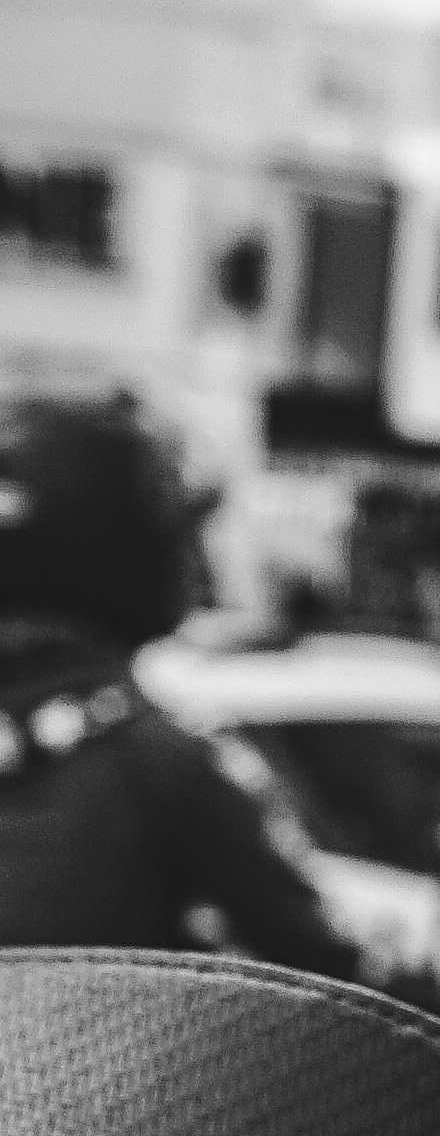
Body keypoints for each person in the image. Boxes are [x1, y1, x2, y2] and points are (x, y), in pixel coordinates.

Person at [0, 399, 359, 972]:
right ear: (122, 543)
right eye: (182, 534)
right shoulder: (157, 758)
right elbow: (327, 968)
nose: (198, 561)